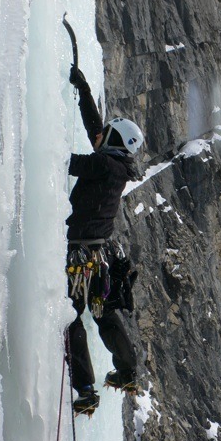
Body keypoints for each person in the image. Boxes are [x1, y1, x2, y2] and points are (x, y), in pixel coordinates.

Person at [65, 65, 142, 416]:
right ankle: (127, 371)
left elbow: (69, 162)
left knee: (71, 317)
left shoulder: (104, 166)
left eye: (108, 134)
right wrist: (84, 92)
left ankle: (85, 389)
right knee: (104, 314)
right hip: (99, 256)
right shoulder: (116, 167)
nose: (102, 136)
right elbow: (96, 132)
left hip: (78, 253)